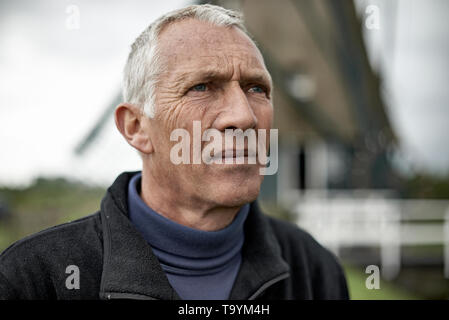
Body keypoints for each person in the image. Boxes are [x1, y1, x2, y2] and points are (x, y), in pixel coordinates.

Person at [0, 4, 348, 300]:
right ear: (136, 128)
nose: (244, 116)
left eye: (256, 87)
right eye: (201, 87)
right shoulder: (32, 280)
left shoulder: (315, 272)